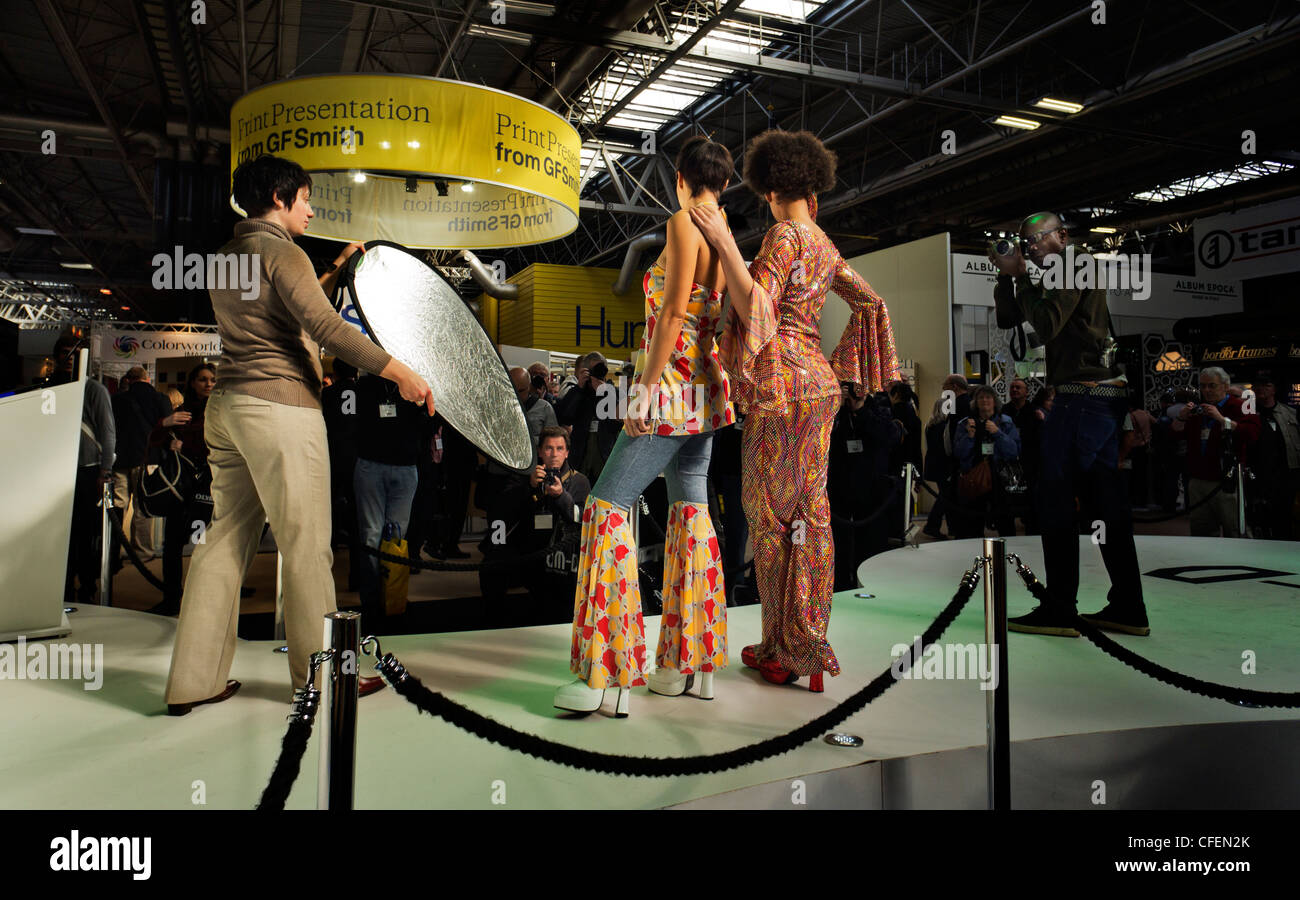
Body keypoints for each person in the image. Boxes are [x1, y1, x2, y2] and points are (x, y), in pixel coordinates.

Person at [165, 154, 434, 715]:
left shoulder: (227, 256)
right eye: (306, 199)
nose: (312, 209)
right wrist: (400, 371)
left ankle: (191, 682)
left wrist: (334, 269)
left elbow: (279, 313)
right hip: (281, 410)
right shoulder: (283, 252)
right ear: (281, 198)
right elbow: (326, 328)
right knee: (308, 547)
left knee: (222, 543)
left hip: (228, 409)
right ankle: (325, 680)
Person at [690, 129, 899, 692]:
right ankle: (801, 641)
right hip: (819, 388)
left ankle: (788, 649)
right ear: (814, 189)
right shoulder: (825, 244)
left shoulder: (782, 236)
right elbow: (871, 303)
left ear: (768, 190)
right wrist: (850, 365)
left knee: (769, 519)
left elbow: (755, 307)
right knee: (811, 517)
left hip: (779, 389)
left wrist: (727, 245)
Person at [554, 136, 736, 716]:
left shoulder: (683, 222)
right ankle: (691, 664)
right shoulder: (723, 229)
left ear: (680, 177)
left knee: (606, 510)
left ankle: (605, 679)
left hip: (672, 387)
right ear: (725, 184)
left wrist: (649, 386)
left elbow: (676, 310)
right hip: (706, 393)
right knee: (694, 513)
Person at [991, 211, 1148, 637]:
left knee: (1055, 500)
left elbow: (1042, 325)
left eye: (1037, 239)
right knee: (1104, 508)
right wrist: (1009, 277)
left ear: (1062, 235)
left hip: (1082, 398)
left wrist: (1021, 276)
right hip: (1099, 398)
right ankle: (1128, 606)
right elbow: (1009, 320)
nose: (1031, 248)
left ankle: (1060, 607)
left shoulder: (1075, 265)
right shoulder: (1064, 271)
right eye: (1025, 242)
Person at [480, 426, 590, 623]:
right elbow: (503, 511)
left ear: (567, 452)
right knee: (492, 564)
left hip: (560, 549)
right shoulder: (524, 475)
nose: (554, 454)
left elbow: (582, 517)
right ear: (539, 451)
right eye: (548, 448)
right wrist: (529, 488)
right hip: (526, 545)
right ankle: (493, 621)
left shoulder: (579, 481)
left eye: (559, 448)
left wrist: (561, 496)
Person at [352, 371, 432, 631]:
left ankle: (394, 601)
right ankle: (372, 603)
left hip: (405, 465)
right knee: (371, 536)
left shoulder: (414, 381)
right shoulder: (365, 384)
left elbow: (429, 420)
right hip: (372, 463)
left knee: (397, 538)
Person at [47, 330, 116, 604]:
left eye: (73, 354)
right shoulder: (50, 387)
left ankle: (87, 586)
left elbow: (108, 432)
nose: (67, 359)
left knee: (86, 532)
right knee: (59, 534)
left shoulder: (93, 390)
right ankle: (62, 586)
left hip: (88, 471)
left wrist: (105, 471)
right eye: (63, 354)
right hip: (54, 472)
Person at [147, 364, 217, 615]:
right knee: (173, 544)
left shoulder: (223, 411)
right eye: (202, 379)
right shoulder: (182, 412)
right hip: (182, 484)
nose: (208, 384)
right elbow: (156, 438)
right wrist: (167, 428)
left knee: (206, 543)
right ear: (193, 383)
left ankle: (206, 598)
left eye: (212, 379)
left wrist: (182, 444)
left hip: (211, 486)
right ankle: (172, 598)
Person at [1170, 366, 1260, 538]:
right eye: (1202, 386)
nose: (1206, 390)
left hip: (1227, 480)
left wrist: (1221, 419)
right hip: (1198, 480)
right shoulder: (1198, 410)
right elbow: (1174, 434)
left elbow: (1252, 433)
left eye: (1212, 386)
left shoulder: (1241, 406)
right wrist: (1181, 417)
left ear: (1225, 386)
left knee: (1234, 529)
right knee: (1201, 529)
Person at [828, 382, 901, 589]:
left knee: (869, 543)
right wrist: (837, 407)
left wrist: (860, 410)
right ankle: (840, 587)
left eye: (858, 388)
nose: (853, 392)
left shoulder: (880, 407)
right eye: (849, 387)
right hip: (840, 486)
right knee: (839, 544)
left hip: (871, 488)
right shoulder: (834, 410)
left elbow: (890, 437)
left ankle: (868, 584)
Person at [111, 365, 173, 561]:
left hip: (119, 460)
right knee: (142, 506)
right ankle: (143, 551)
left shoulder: (116, 400)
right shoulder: (160, 399)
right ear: (147, 379)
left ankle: (113, 549)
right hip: (147, 459)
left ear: (128, 380)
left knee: (119, 504)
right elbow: (167, 427)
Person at [950, 385, 1022, 539]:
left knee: (1005, 523)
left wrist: (998, 433)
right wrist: (969, 436)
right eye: (981, 397)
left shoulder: (1005, 422)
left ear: (995, 401)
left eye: (988, 397)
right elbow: (959, 453)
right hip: (974, 477)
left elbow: (1013, 451)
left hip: (1001, 477)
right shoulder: (965, 423)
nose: (985, 401)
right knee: (972, 524)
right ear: (975, 402)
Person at [1252, 375, 1299, 539]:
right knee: (1260, 517)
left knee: (1285, 516)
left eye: (1266, 385)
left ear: (1274, 389)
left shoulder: (1290, 413)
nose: (1261, 388)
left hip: (1287, 473)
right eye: (1257, 385)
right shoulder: (1249, 413)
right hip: (1259, 474)